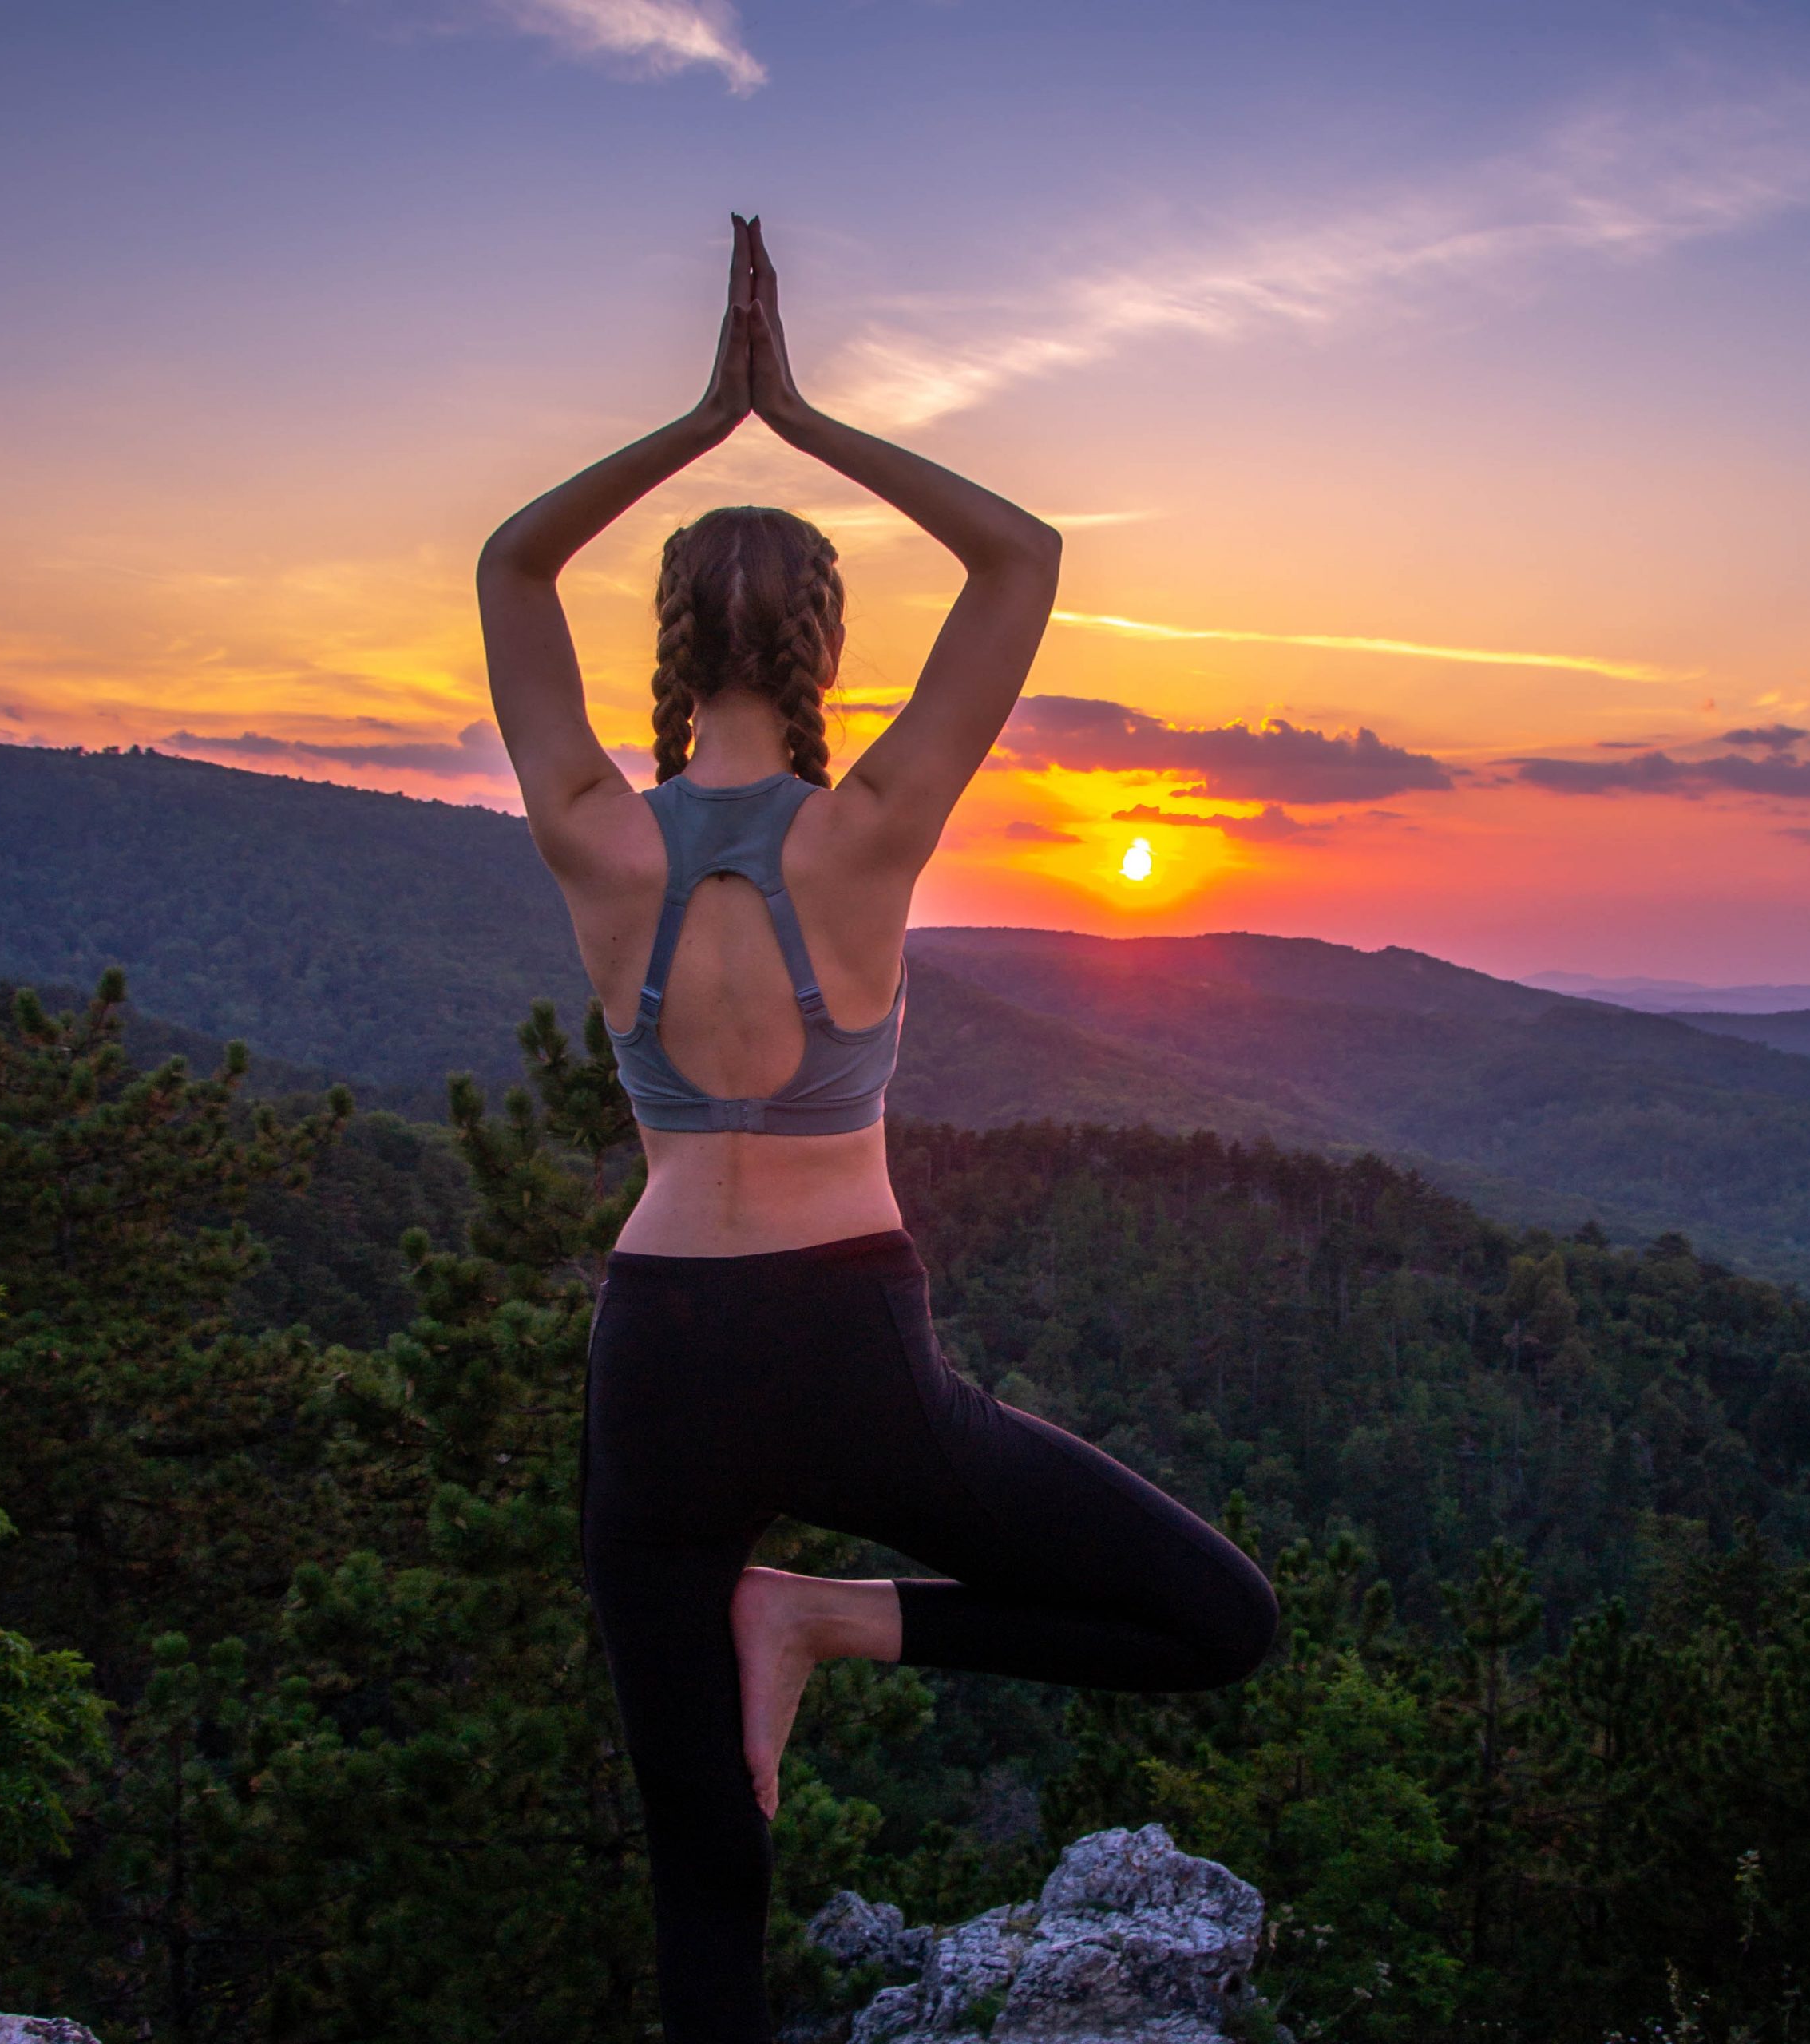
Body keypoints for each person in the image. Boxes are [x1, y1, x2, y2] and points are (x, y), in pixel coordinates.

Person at [477, 215, 1278, 2044]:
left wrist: (704, 418)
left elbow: (511, 562)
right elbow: (1022, 553)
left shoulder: (594, 831)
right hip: (850, 1340)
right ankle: (831, 1620)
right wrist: (802, 413)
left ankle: (795, 1622)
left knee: (707, 1872)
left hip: (660, 1351)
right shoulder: (875, 828)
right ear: (829, 639)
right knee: (1214, 1621)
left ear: (665, 645)